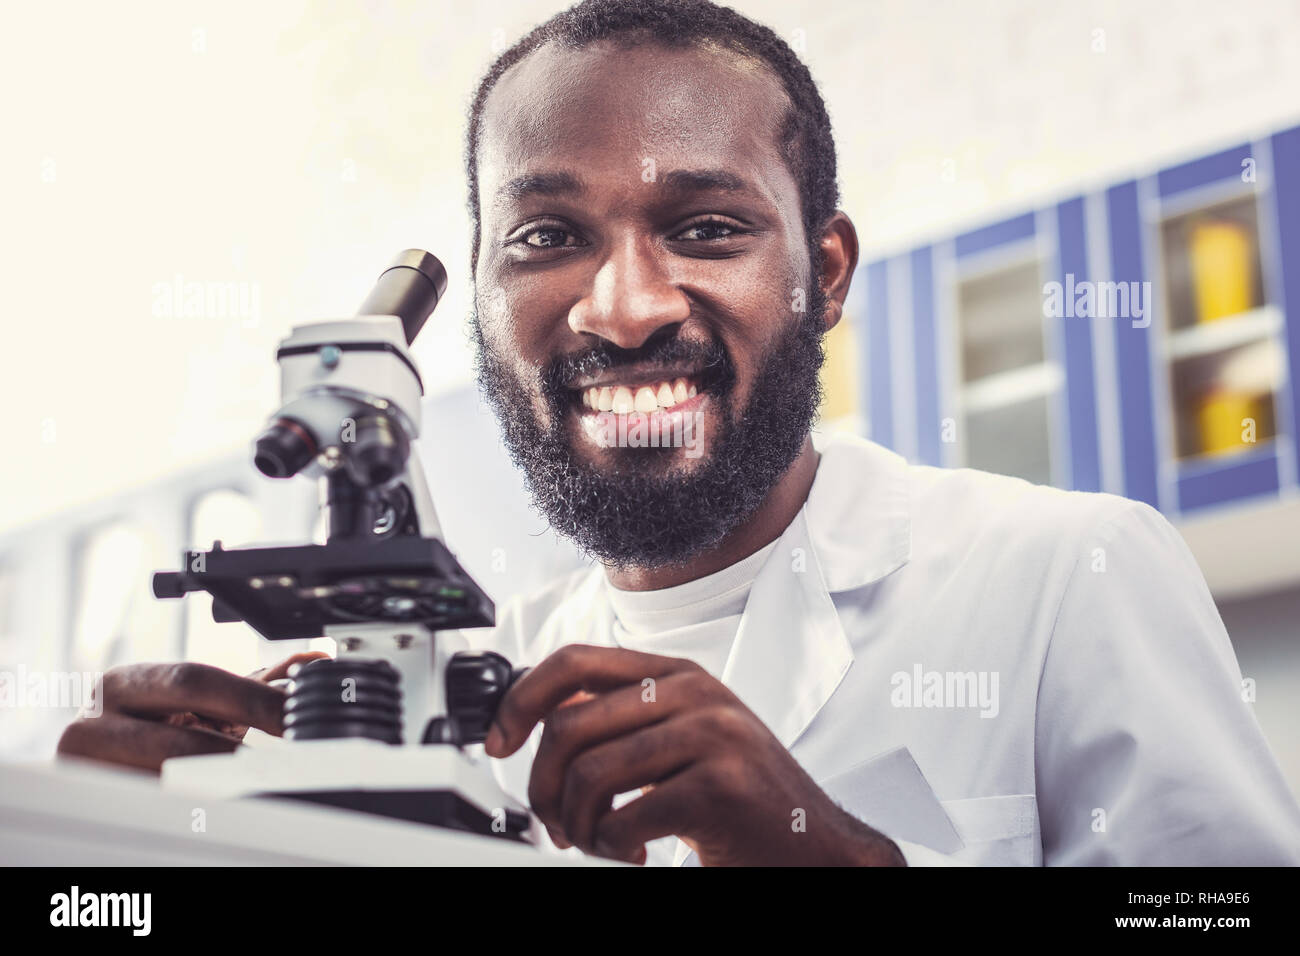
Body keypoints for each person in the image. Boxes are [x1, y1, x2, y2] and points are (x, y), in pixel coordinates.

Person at [59, 0, 1300, 866]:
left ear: (822, 270)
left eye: (705, 227)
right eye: (548, 238)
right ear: (485, 305)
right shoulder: (467, 696)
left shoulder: (1066, 571)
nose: (625, 305)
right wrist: (116, 866)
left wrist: (847, 866)